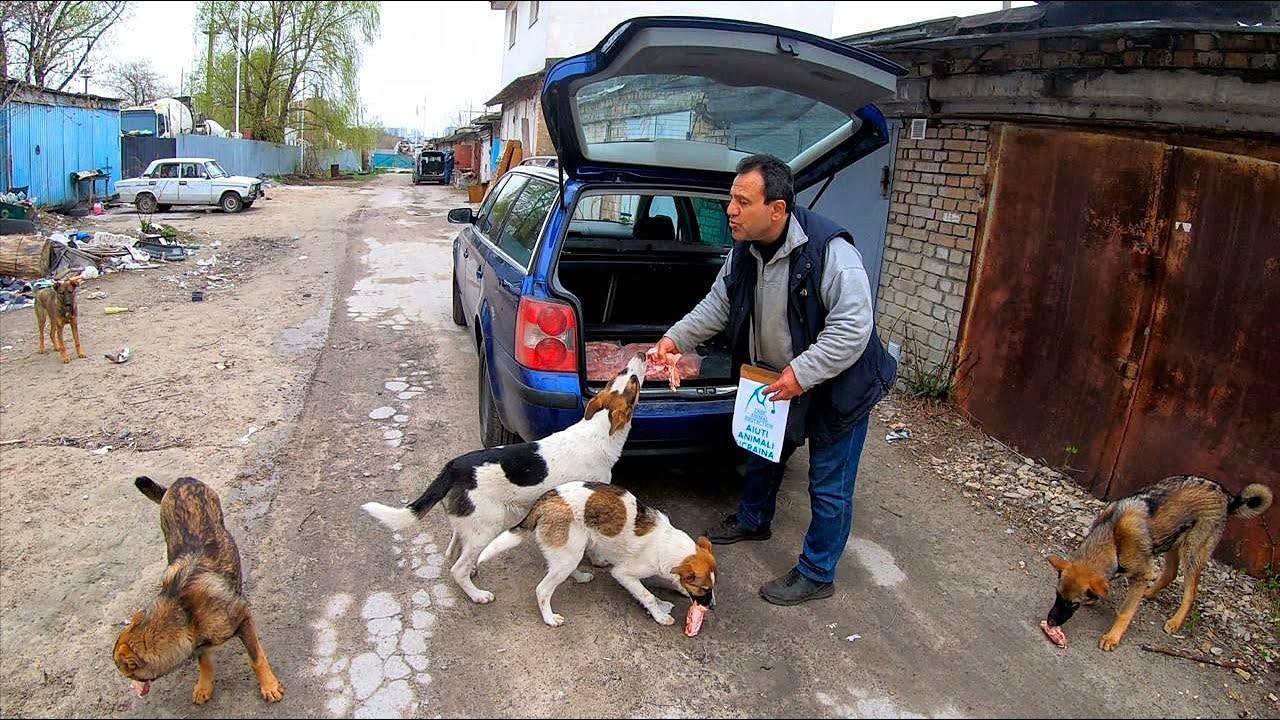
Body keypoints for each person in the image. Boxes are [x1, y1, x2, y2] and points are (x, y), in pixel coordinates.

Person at [652, 154, 896, 606]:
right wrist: (674, 339)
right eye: (731, 199)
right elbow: (718, 306)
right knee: (763, 449)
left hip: (838, 383)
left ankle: (818, 570)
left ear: (778, 209)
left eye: (742, 201)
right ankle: (753, 520)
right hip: (778, 376)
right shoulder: (743, 250)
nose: (730, 210)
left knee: (828, 482)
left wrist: (800, 374)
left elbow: (853, 329)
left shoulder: (831, 253)